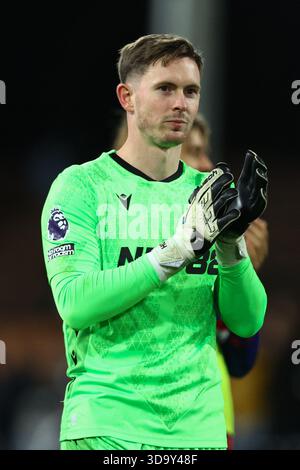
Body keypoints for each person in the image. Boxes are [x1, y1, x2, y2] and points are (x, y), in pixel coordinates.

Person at [41, 33, 268, 450]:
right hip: (108, 429)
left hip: (200, 432)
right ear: (127, 97)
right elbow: (75, 302)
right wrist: (179, 249)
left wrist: (231, 245)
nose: (180, 103)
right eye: (165, 88)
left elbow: (247, 322)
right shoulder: (81, 187)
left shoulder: (211, 193)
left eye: (190, 90)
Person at [180, 114, 269, 448]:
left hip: (213, 425)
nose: (206, 164)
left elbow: (240, 361)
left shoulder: (222, 241)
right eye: (193, 151)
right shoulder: (129, 236)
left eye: (206, 151)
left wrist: (242, 271)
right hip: (133, 428)